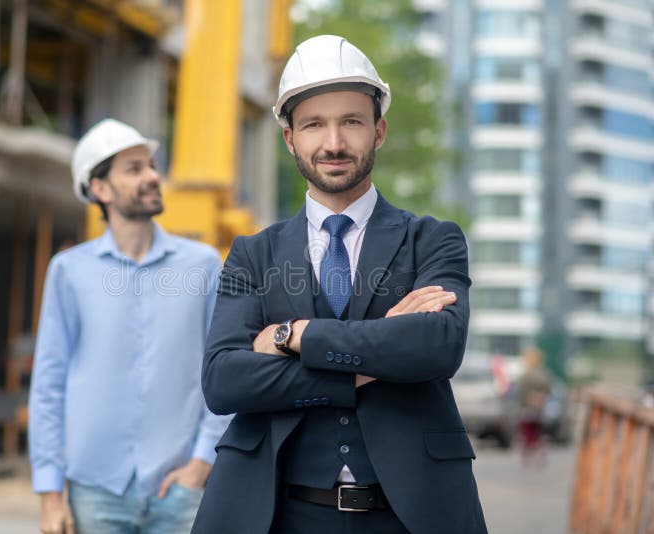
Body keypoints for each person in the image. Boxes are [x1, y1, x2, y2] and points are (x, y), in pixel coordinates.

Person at [192, 35, 487, 534]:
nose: (333, 143)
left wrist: (294, 336)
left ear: (379, 131)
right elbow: (224, 381)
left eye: (351, 121)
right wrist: (370, 363)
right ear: (290, 138)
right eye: (314, 124)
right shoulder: (253, 253)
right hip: (277, 512)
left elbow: (437, 347)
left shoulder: (432, 240)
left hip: (411, 514)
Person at [28, 119, 230, 534]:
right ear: (100, 189)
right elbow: (49, 383)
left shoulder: (203, 265)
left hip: (181, 489)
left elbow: (224, 369)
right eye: (134, 169)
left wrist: (201, 463)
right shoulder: (69, 271)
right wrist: (50, 495)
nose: (152, 176)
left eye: (151, 166)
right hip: (95, 489)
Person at [515, 346, 552, 466]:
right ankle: (539, 453)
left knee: (527, 433)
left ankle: (527, 456)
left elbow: (521, 393)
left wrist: (528, 400)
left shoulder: (525, 375)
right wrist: (541, 398)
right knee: (537, 432)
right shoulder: (545, 374)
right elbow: (548, 390)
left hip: (526, 408)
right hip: (540, 408)